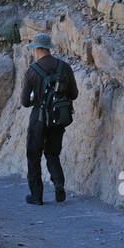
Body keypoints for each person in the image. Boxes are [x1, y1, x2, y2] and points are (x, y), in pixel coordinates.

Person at [20, 33, 78, 205]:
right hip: (58, 118)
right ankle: (59, 184)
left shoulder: (32, 71)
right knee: (52, 153)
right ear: (49, 48)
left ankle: (36, 196)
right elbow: (74, 94)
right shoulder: (64, 67)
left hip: (38, 118)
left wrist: (34, 100)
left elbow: (24, 102)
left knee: (33, 155)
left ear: (37, 49)